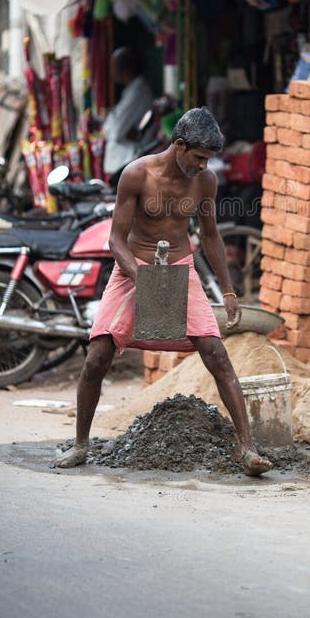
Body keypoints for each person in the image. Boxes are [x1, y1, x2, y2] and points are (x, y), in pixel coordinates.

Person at [55, 107, 272, 477]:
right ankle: (80, 445)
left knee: (216, 353)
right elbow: (116, 240)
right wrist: (143, 278)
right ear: (179, 145)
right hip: (134, 269)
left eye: (209, 160)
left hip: (180, 269)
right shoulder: (137, 174)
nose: (204, 166)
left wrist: (229, 292)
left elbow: (210, 236)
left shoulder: (205, 182)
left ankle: (248, 449)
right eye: (199, 157)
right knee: (97, 356)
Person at [103, 47, 154, 179]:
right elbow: (107, 129)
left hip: (128, 162)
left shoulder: (138, 92)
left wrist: (122, 131)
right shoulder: (131, 91)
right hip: (122, 163)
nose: (111, 72)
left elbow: (116, 131)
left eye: (114, 67)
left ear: (126, 69)